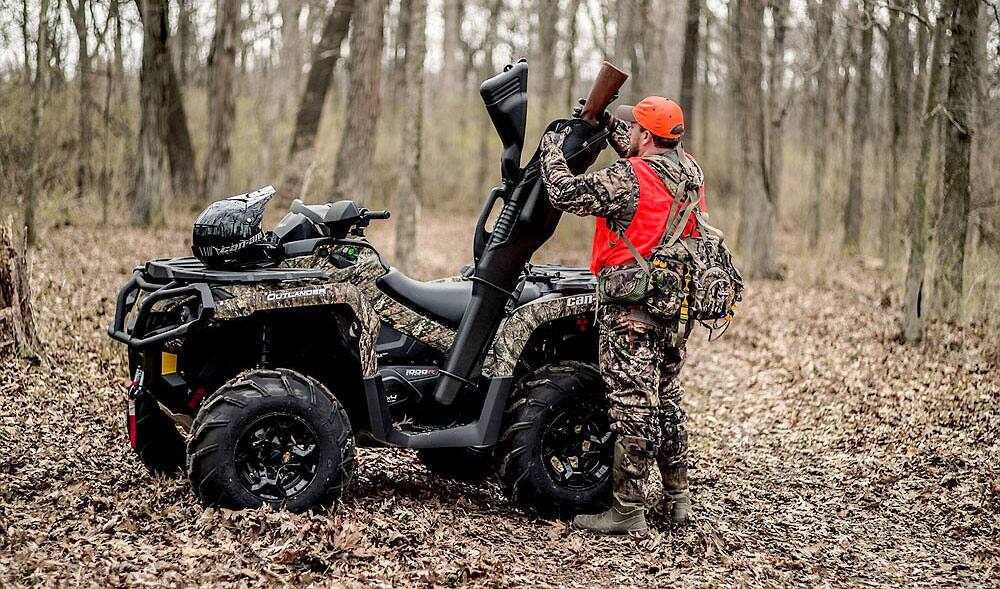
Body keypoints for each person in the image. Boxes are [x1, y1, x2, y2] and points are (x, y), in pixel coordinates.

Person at [539, 96, 705, 534]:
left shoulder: (630, 176)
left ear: (646, 136)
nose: (628, 133)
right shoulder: (689, 172)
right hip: (674, 311)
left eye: (634, 127)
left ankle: (627, 512)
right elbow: (641, 164)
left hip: (631, 314)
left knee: (633, 407)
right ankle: (678, 499)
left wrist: (551, 150)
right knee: (668, 401)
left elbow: (566, 192)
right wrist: (608, 122)